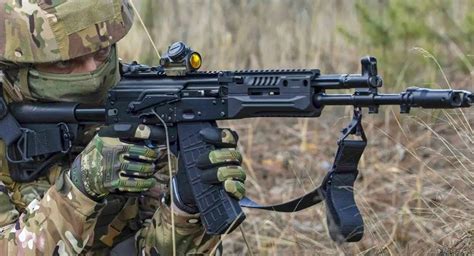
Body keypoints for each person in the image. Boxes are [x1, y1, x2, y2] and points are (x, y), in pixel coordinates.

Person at [0, 0, 246, 255]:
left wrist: (186, 206)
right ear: (17, 67)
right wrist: (79, 188)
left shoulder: (140, 107)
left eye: (102, 53)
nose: (93, 73)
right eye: (65, 63)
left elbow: (145, 249)